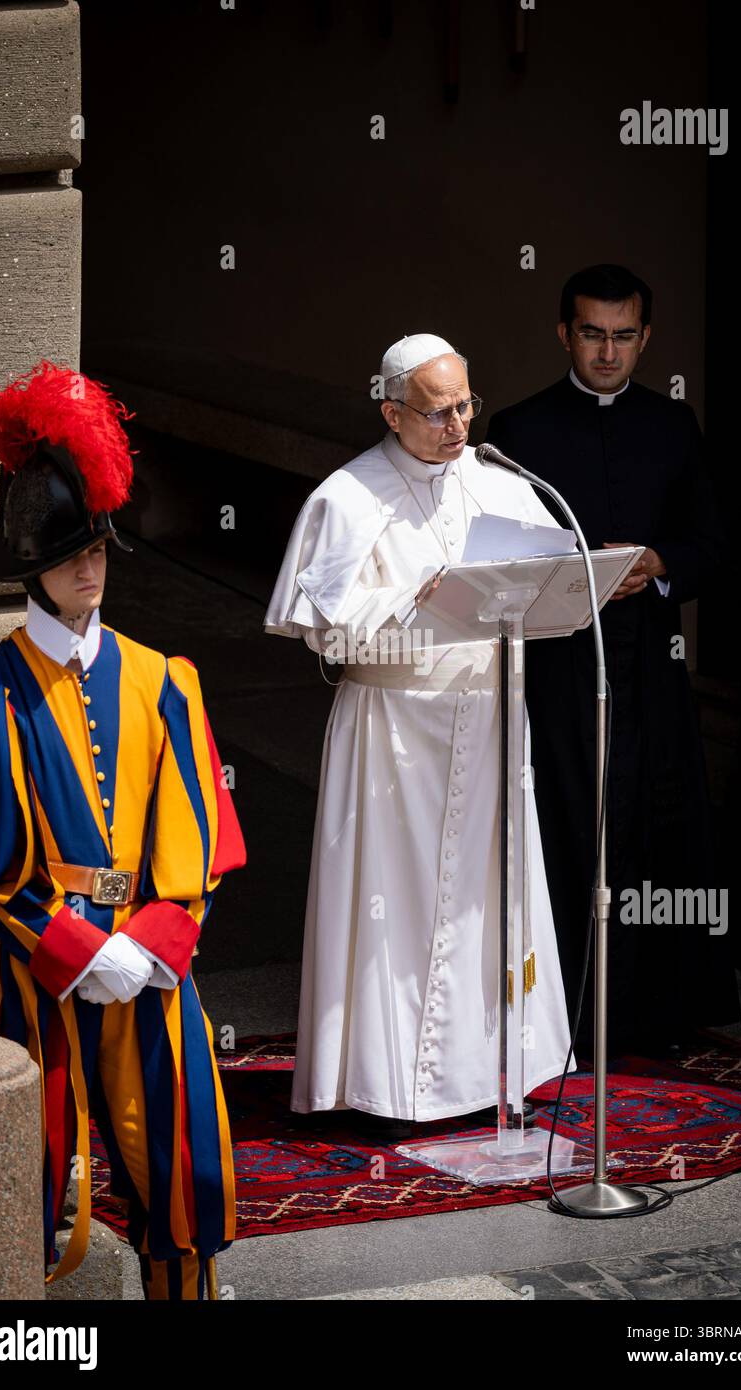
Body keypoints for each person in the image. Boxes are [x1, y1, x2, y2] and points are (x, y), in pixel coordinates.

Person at [0, 361, 246, 1299]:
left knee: (182, 1182)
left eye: (101, 548)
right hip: (42, 975)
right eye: (73, 550)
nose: (91, 565)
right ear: (33, 562)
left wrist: (155, 941)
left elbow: (197, 842)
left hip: (152, 967)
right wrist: (78, 948)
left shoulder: (166, 679)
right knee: (29, 1192)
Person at [265, 333, 574, 1132]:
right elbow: (326, 635)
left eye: (466, 404)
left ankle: (489, 1075)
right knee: (387, 908)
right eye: (438, 412)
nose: (457, 426)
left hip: (490, 717)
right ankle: (381, 1087)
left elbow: (549, 580)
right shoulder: (349, 497)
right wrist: (418, 596)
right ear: (391, 411)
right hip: (395, 733)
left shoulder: (501, 483)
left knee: (485, 907)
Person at [486, 265, 740, 1056]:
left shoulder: (674, 426)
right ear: (565, 333)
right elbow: (494, 552)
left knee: (656, 824)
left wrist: (658, 562)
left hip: (651, 671)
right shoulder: (519, 431)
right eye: (592, 334)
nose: (607, 352)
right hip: (562, 673)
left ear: (645, 339)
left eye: (623, 336)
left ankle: (656, 1013)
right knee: (566, 824)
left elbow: (712, 543)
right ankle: (558, 1015)